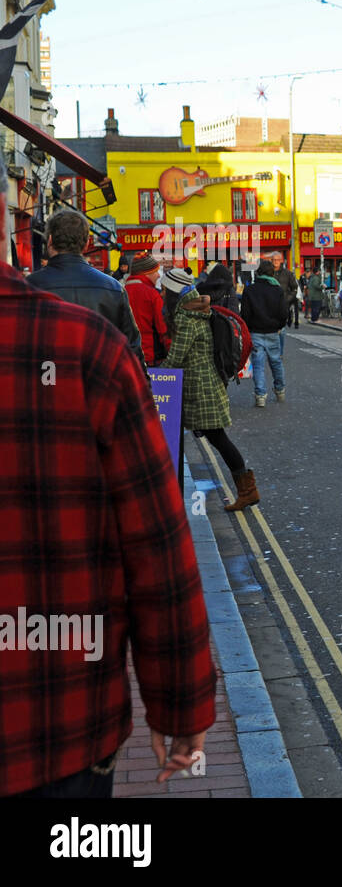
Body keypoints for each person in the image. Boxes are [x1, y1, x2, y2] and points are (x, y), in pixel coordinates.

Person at [0, 181, 215, 796]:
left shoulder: (46, 295)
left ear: (41, 242)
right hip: (58, 717)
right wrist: (180, 707)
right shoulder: (94, 329)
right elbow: (154, 543)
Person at [159, 268, 260, 511]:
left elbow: (176, 358)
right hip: (206, 384)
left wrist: (153, 374)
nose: (161, 293)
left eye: (164, 289)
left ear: (172, 291)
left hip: (201, 388)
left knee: (218, 438)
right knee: (217, 438)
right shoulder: (195, 310)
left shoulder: (186, 317)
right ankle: (247, 490)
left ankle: (248, 490)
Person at [27, 209, 144, 364]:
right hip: (99, 380)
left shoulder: (29, 287)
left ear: (49, 240)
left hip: (48, 380)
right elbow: (132, 351)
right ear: (86, 244)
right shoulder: (113, 288)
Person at [241, 259, 292, 407]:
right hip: (272, 331)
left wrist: (248, 328)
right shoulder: (277, 290)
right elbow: (284, 312)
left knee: (258, 365)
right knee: (276, 362)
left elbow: (245, 313)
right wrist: (279, 326)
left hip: (255, 331)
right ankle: (280, 390)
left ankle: (260, 395)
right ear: (272, 273)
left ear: (258, 273)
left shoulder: (250, 290)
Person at [123, 253, 171, 366]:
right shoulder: (152, 294)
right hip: (150, 358)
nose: (158, 276)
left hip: (126, 357)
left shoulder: (121, 291)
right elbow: (163, 329)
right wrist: (172, 354)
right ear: (147, 273)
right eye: (156, 272)